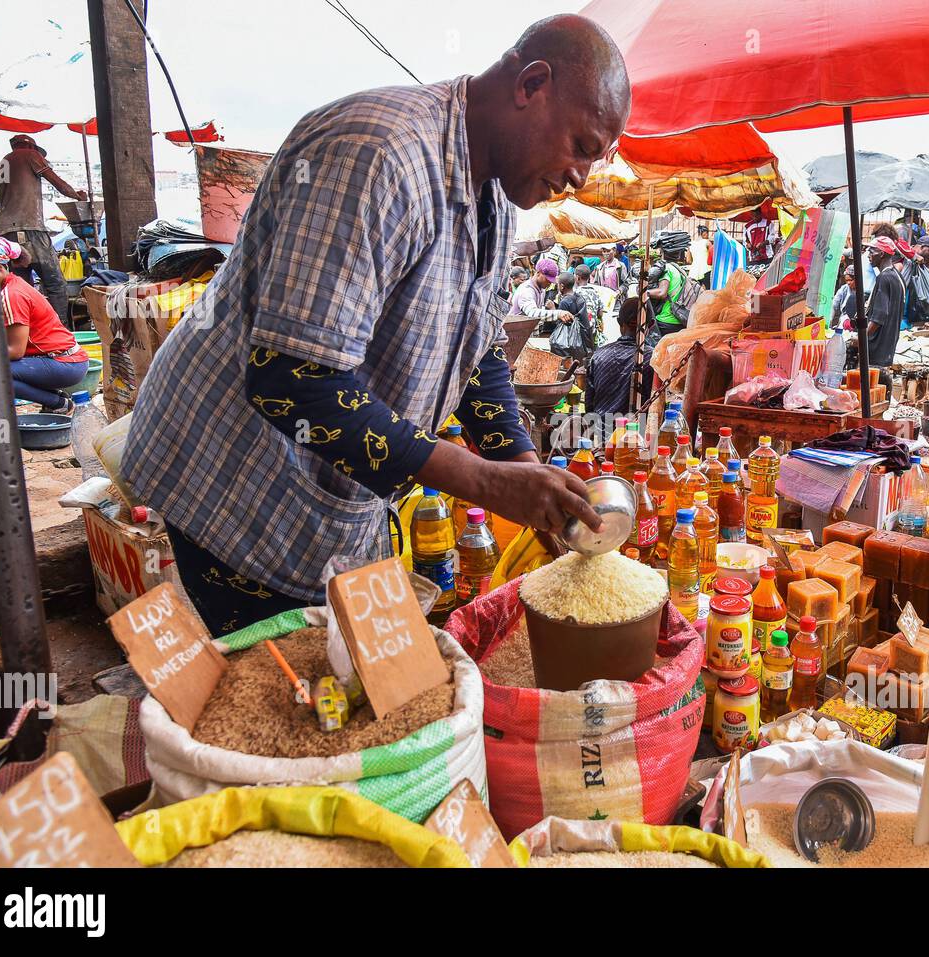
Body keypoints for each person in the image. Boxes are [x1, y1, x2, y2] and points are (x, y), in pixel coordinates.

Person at [121, 14, 628, 634]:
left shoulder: (495, 195)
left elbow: (477, 351)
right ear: (532, 84)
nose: (578, 177)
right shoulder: (377, 155)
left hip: (325, 500)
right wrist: (480, 479)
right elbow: (292, 377)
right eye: (580, 145)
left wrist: (522, 469)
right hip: (235, 489)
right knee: (283, 704)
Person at [0, 237, 88, 412]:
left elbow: (15, 351)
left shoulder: (12, 295)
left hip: (66, 363)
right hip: (59, 361)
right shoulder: (6, 288)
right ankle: (55, 397)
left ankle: (58, 404)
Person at [0, 133, 88, 321]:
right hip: (30, 227)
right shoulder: (29, 155)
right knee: (55, 283)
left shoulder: (4, 162)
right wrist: (78, 195)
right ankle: (59, 328)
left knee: (22, 286)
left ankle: (29, 329)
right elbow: (59, 184)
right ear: (31, 147)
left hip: (8, 233)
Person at [585, 297, 650, 415]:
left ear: (620, 323)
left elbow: (589, 406)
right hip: (639, 431)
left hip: (602, 430)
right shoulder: (654, 359)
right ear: (651, 325)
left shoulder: (599, 355)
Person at [864, 237, 908, 368]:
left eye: (872, 251)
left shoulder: (884, 278)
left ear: (882, 254)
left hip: (877, 347)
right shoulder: (897, 276)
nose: (868, 255)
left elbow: (879, 315)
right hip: (888, 347)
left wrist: (861, 338)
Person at [645, 245, 688, 343]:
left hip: (665, 320)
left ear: (662, 252)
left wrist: (643, 292)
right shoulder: (679, 269)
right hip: (679, 320)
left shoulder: (667, 269)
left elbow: (662, 292)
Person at [509, 258, 572, 324]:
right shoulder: (526, 290)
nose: (549, 282)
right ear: (538, 273)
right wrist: (559, 313)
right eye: (547, 279)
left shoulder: (542, 289)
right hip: (514, 331)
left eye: (551, 281)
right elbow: (532, 313)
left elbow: (539, 312)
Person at [550, 272, 595, 352]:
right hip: (582, 341)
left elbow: (559, 324)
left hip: (568, 345)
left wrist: (552, 309)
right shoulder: (579, 297)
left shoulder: (565, 302)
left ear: (562, 286)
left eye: (558, 284)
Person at [831, 265, 858, 331]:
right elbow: (834, 305)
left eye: (850, 280)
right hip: (844, 320)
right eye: (846, 280)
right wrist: (830, 321)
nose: (848, 283)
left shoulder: (863, 291)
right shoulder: (844, 289)